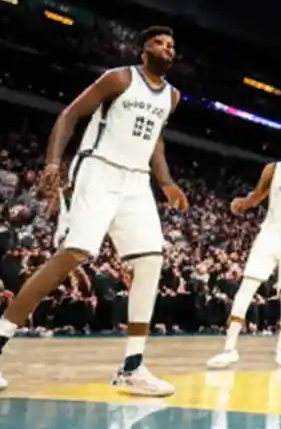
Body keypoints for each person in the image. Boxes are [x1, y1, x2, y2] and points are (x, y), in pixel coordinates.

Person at [0, 27, 189, 395]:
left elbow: (155, 141)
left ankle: (132, 367)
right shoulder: (118, 78)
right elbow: (69, 115)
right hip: (98, 168)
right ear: (143, 49)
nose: (167, 48)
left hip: (136, 182)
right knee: (74, 253)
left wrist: (165, 181)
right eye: (159, 43)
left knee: (151, 260)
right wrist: (53, 165)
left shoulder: (173, 96)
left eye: (172, 44)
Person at [207, 134, 281, 369]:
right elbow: (258, 195)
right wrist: (243, 203)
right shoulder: (272, 170)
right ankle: (229, 348)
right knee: (247, 285)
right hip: (271, 233)